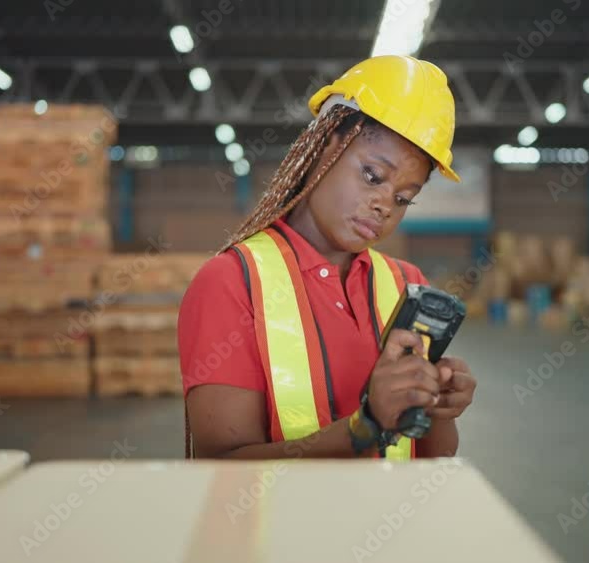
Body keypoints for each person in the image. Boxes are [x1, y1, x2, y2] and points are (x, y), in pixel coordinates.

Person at [178, 55, 477, 460]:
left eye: (404, 197)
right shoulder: (233, 282)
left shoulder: (406, 284)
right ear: (325, 145)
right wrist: (364, 427)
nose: (384, 205)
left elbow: (432, 459)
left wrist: (437, 405)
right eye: (373, 176)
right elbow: (220, 468)